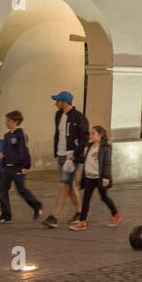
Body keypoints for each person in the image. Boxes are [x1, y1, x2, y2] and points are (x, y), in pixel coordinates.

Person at [44, 91, 87, 228]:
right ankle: (80, 213)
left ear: (65, 102)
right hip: (61, 154)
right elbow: (58, 134)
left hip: (72, 157)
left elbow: (84, 138)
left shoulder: (79, 117)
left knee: (65, 185)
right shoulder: (58, 115)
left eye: (57, 101)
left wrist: (75, 153)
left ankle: (54, 216)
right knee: (70, 185)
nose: (55, 103)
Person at [0, 111, 44, 225]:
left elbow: (23, 150)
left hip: (17, 168)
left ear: (15, 121)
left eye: (9, 120)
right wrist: (1, 156)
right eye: (6, 120)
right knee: (2, 190)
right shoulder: (7, 136)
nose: (6, 122)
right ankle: (6, 215)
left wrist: (26, 165)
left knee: (21, 190)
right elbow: (6, 151)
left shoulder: (20, 134)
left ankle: (37, 205)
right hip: (7, 167)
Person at [71, 125, 120, 229]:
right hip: (89, 177)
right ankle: (82, 222)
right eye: (90, 133)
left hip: (99, 177)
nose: (91, 135)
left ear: (100, 135)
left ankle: (116, 215)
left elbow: (107, 163)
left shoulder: (105, 147)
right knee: (86, 199)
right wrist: (74, 158)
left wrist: (106, 177)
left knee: (104, 197)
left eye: (93, 133)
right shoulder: (89, 146)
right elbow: (86, 160)